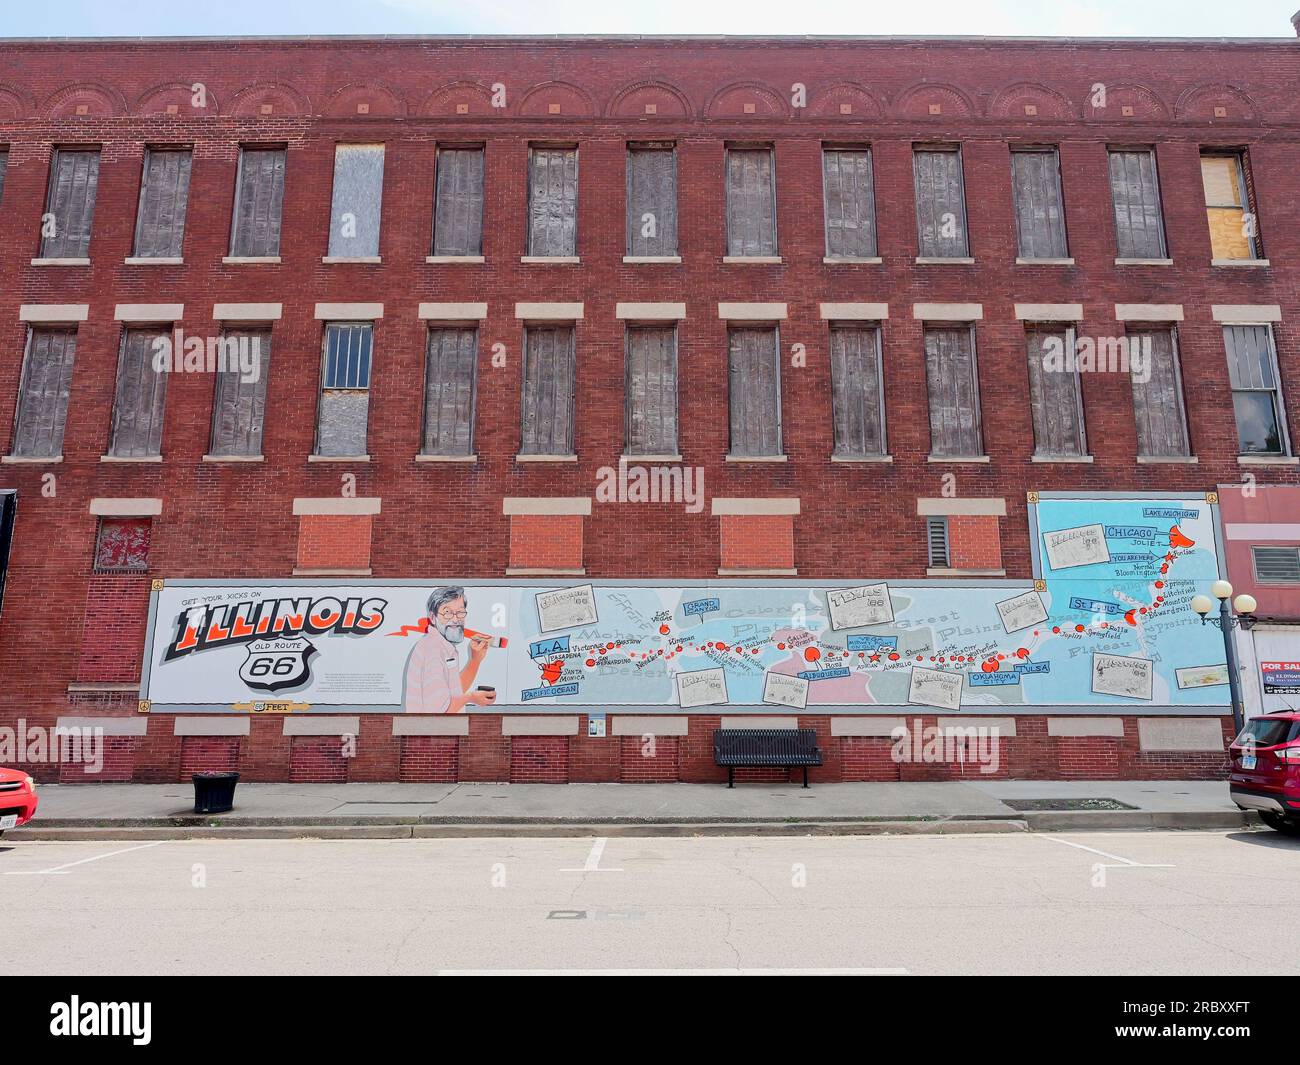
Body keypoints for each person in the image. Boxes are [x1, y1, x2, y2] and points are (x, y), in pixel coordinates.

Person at [402, 586, 498, 713]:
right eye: (447, 613)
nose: (455, 619)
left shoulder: (443, 646)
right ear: (432, 617)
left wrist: (475, 660)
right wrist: (471, 698)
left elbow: (453, 692)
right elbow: (439, 711)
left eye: (460, 612)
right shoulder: (432, 650)